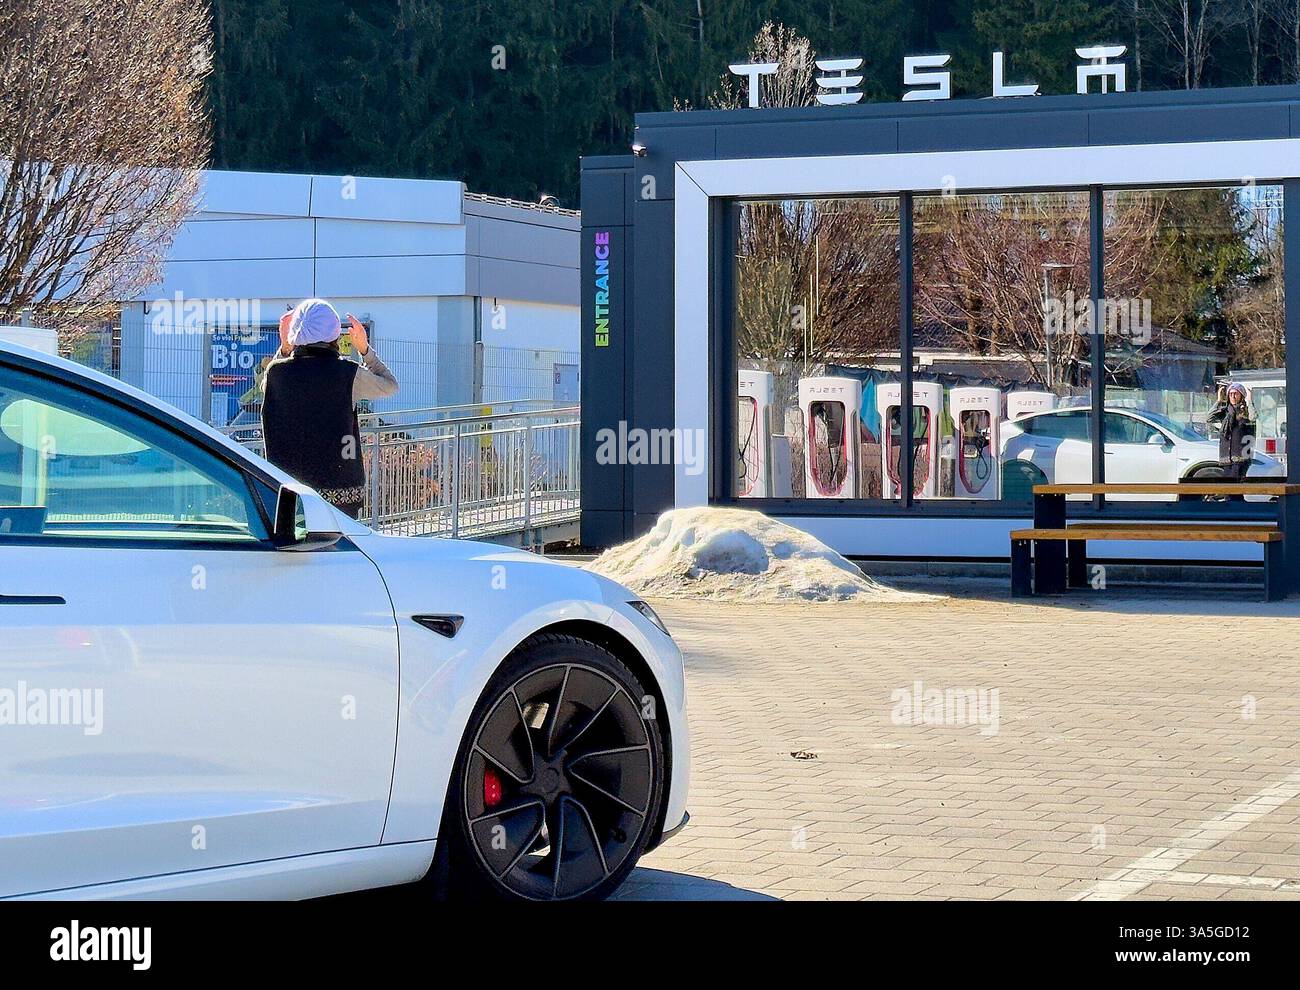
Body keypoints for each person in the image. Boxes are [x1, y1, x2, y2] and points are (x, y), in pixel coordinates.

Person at [261, 298, 398, 519]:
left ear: (294, 334)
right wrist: (365, 350)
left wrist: (285, 349)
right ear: (335, 335)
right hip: (341, 492)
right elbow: (390, 385)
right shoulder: (347, 373)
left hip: (288, 493)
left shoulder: (276, 373)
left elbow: (265, 386)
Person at [1206, 381, 1256, 498]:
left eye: (1236, 394)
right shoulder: (1225, 411)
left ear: (1241, 395)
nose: (1233, 396)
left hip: (1241, 456)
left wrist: (1249, 400)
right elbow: (1209, 418)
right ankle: (1235, 513)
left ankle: (1237, 512)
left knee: (1233, 490)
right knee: (1230, 491)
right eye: (1231, 394)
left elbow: (1253, 418)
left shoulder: (1245, 410)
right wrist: (1219, 400)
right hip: (1226, 457)